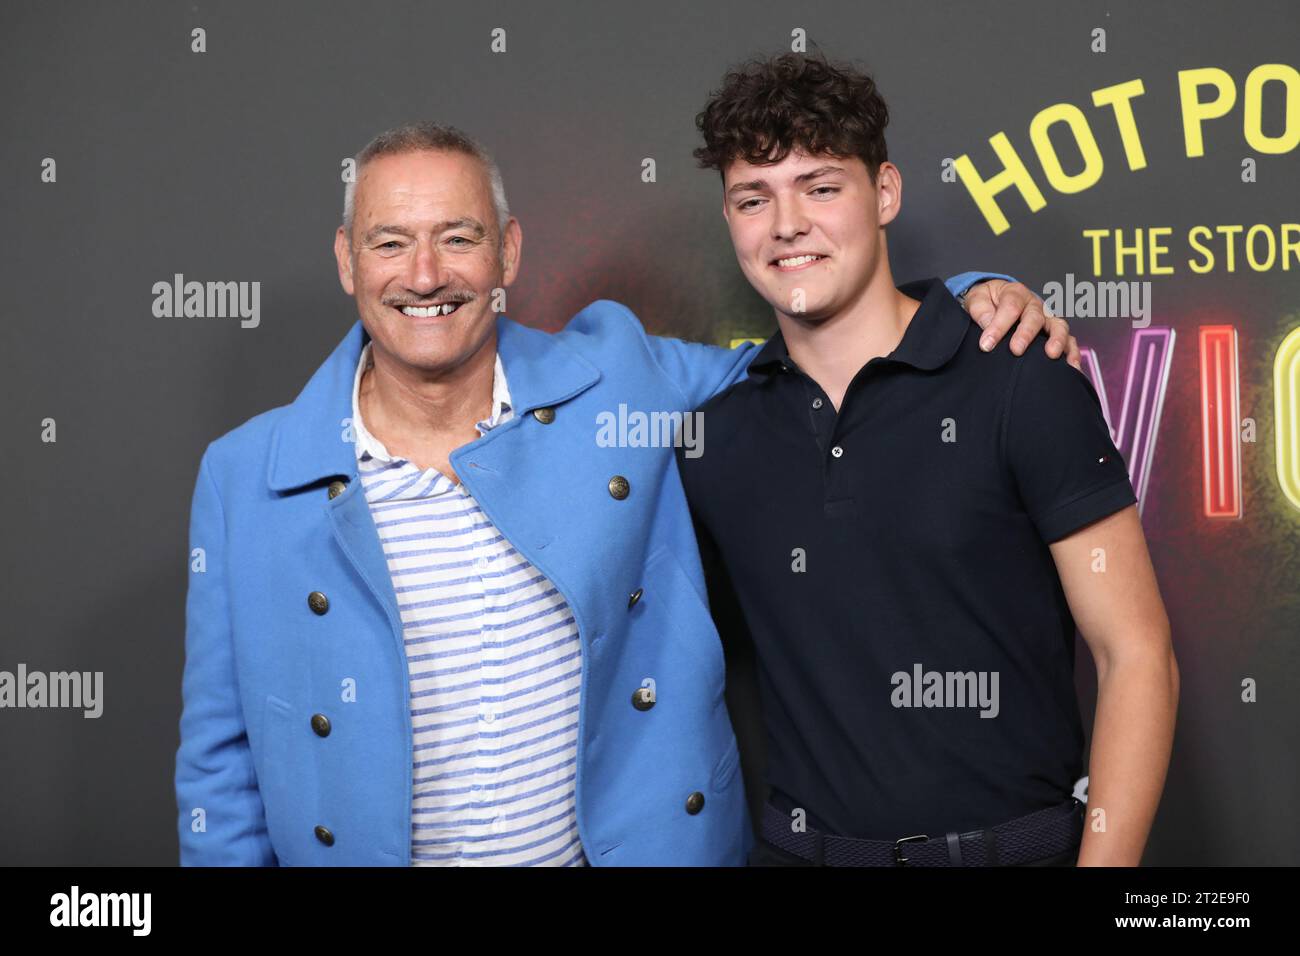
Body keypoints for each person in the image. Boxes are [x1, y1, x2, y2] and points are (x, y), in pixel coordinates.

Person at [174, 120, 1076, 866]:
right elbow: (220, 766)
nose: (424, 275)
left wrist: (969, 298)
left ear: (507, 252)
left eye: (459, 237)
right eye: (390, 242)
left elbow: (812, 359)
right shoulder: (247, 476)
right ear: (347, 260)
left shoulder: (616, 381)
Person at [676, 52, 1178, 867]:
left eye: (820, 187)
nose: (786, 224)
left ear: (885, 193)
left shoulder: (1020, 378)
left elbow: (1137, 654)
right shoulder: (717, 438)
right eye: (753, 198)